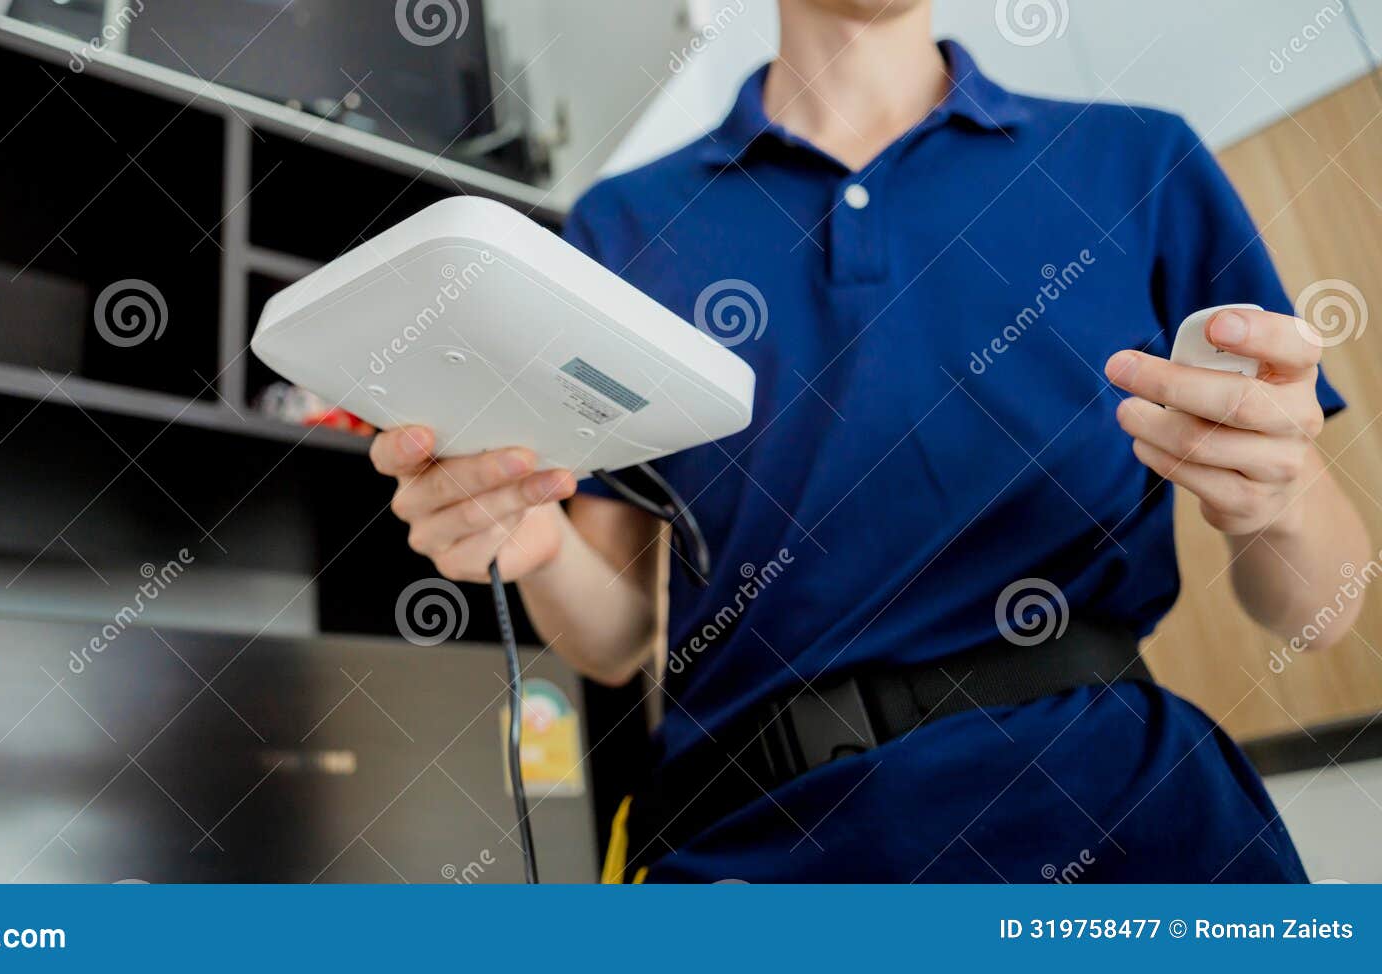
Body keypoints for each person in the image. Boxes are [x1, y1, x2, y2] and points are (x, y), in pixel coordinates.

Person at [368, 0, 1369, 882]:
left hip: (1115, 821)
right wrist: (531, 537)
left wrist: (1278, 497)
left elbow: (1317, 610)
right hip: (746, 845)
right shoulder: (622, 227)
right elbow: (613, 633)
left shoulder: (1137, 163)